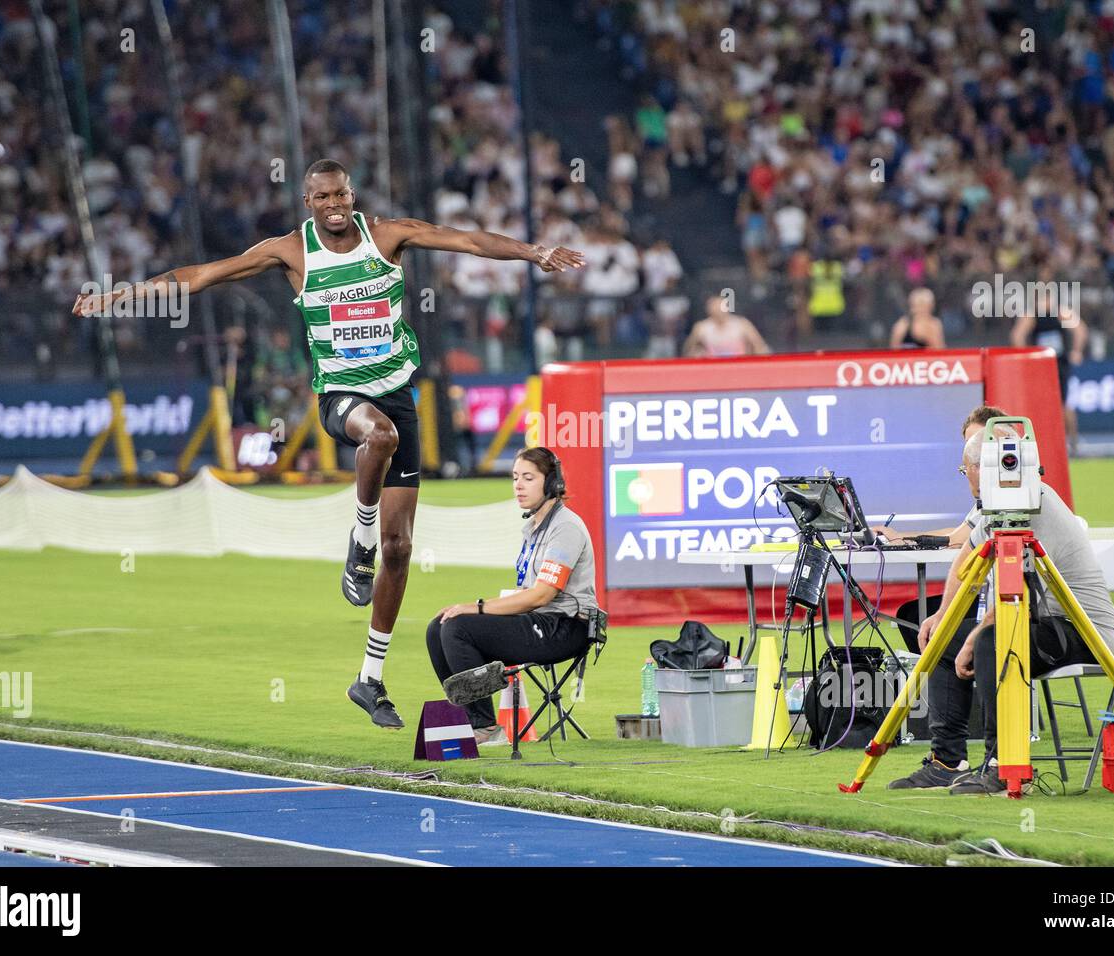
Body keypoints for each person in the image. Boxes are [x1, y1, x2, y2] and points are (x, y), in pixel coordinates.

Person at [73, 159, 585, 730]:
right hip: (343, 398)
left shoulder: (386, 234)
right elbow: (204, 274)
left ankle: (369, 678)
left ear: (351, 193)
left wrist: (533, 252)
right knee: (379, 442)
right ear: (308, 200)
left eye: (342, 193)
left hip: (397, 394)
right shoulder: (291, 251)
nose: (335, 203)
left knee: (400, 549)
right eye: (323, 196)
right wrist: (124, 296)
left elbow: (466, 240)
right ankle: (358, 535)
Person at [889, 411, 1114, 795]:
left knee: (990, 640)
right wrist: (942, 616)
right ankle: (946, 762)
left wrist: (973, 636)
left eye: (965, 473)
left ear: (979, 469)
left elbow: (1020, 595)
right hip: (1041, 623)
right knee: (947, 638)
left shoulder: (1033, 503)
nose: (966, 482)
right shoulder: (998, 501)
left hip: (1084, 632)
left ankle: (1003, 765)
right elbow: (965, 559)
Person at [425, 447, 597, 746]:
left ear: (552, 483)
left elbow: (541, 595)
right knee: (439, 625)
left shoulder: (565, 527)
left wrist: (479, 608)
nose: (518, 485)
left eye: (528, 478)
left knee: (458, 627)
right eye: (515, 477)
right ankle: (468, 719)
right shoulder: (533, 528)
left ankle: (486, 728)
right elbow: (527, 593)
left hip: (567, 626)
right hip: (540, 620)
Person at [876, 405, 1010, 652]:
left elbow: (960, 540)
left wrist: (902, 538)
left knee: (917, 618)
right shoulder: (989, 498)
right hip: (990, 598)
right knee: (912, 614)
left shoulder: (1009, 496)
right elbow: (958, 535)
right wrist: (899, 536)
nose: (973, 452)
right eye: (969, 445)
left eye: (979, 443)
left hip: (1000, 603)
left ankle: (942, 684)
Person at [1011, 304, 1087, 455]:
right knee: (1042, 405)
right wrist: (1025, 356)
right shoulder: (1033, 315)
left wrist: (1077, 351)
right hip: (1041, 365)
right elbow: (1017, 335)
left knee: (1063, 405)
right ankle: (1048, 442)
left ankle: (1072, 442)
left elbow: (1080, 330)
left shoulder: (1058, 313)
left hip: (1056, 365)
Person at [682, 296, 771, 358]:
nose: (718, 311)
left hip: (740, 366)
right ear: (709, 310)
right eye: (714, 308)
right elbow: (688, 351)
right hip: (712, 368)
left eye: (720, 307)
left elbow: (760, 347)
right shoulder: (702, 327)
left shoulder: (741, 324)